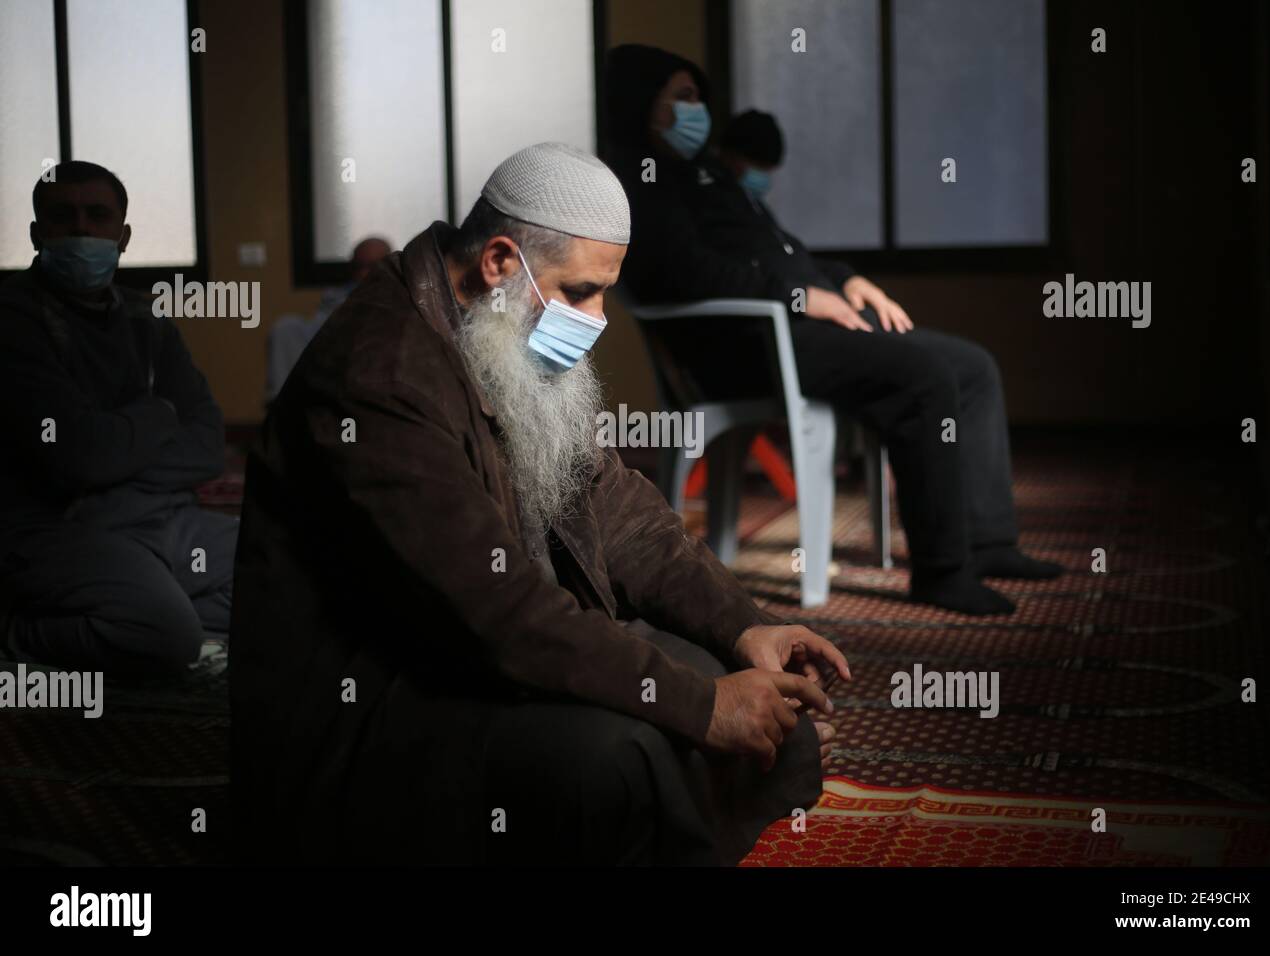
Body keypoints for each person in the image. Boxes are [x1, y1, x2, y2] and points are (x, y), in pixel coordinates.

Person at [229, 143, 850, 865]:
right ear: (498, 263)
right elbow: (494, 614)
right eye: (581, 291)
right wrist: (707, 710)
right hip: (368, 704)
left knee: (737, 686)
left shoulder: (502, 330)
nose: (598, 318)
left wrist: (745, 628)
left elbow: (621, 510)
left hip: (475, 651)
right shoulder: (380, 372)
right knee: (625, 752)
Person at [603, 46, 1064, 616]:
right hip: (744, 345)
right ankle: (942, 572)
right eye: (683, 97)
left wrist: (848, 281)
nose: (699, 110)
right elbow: (688, 273)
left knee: (972, 366)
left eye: (699, 96)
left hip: (796, 328)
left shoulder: (708, 175)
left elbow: (784, 251)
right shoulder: (636, 181)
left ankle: (990, 543)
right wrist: (801, 296)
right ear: (639, 102)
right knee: (923, 376)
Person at [0, 161, 236, 673]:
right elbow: (77, 454)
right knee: (168, 638)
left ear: (123, 235)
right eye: (64, 216)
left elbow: (208, 444)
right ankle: (16, 628)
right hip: (57, 529)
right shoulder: (13, 318)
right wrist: (160, 411)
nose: (82, 228)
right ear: (37, 233)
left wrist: (111, 460)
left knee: (289, 577)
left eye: (97, 215)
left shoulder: (146, 318)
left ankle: (141, 607)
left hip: (156, 520)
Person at [264, 236, 391, 403]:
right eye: (359, 266)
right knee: (285, 327)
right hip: (330, 336)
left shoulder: (396, 293)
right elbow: (319, 322)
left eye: (371, 266)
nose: (363, 273)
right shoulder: (337, 294)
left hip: (367, 339)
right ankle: (283, 403)